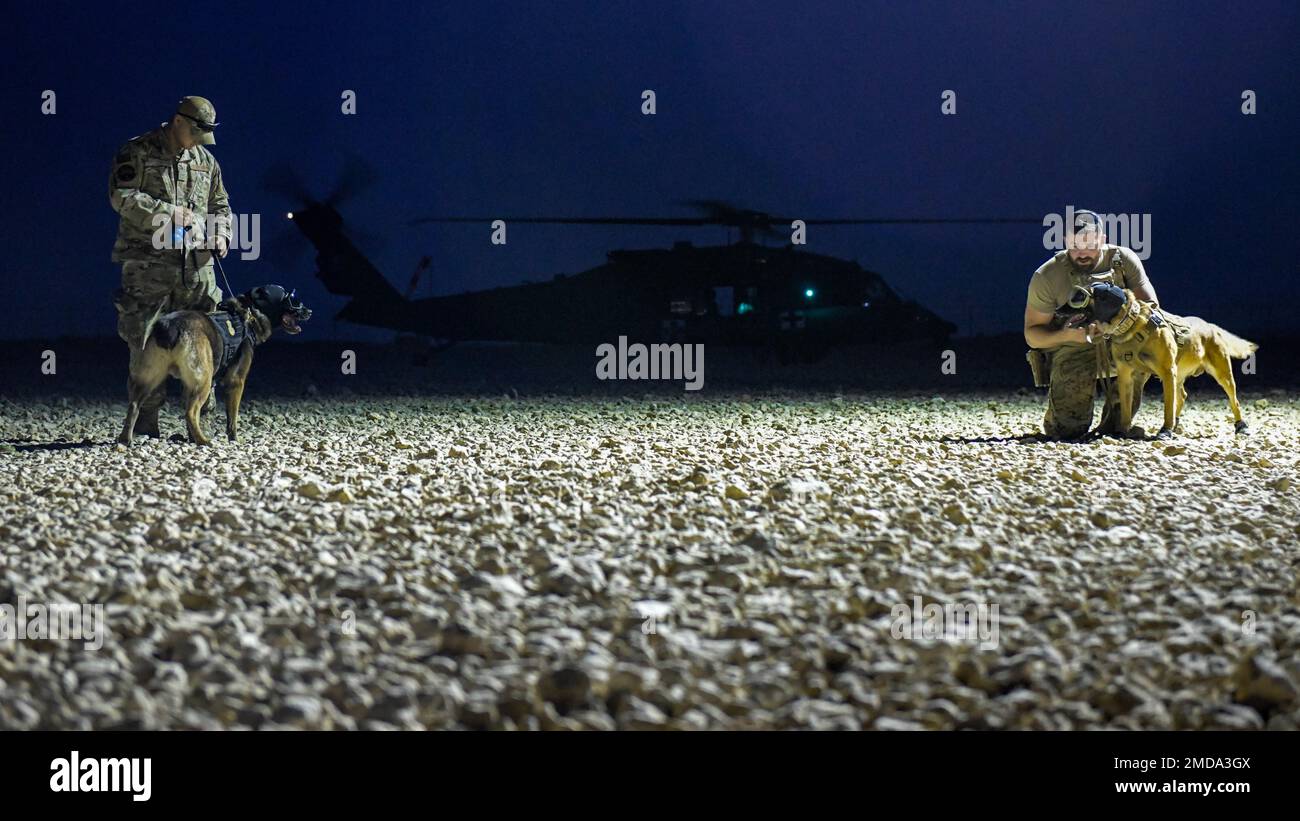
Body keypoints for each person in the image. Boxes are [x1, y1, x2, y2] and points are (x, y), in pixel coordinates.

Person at [110, 96, 232, 437]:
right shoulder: (137, 151)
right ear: (178, 122)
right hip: (150, 268)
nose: (197, 141)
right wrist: (167, 213)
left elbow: (220, 204)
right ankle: (147, 422)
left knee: (204, 343)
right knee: (146, 340)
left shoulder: (206, 161)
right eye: (195, 132)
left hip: (197, 271)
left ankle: (199, 421)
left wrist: (221, 234)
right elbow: (122, 196)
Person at [1024, 210, 1160, 439]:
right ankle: (1061, 419)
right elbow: (1032, 334)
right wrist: (1066, 336)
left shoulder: (1123, 261)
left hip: (1120, 343)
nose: (1082, 252)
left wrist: (1120, 320)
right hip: (1074, 348)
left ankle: (1118, 421)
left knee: (1145, 344)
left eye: (1089, 243)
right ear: (1066, 241)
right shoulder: (1047, 275)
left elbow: (1152, 307)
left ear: (1102, 239)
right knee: (1066, 433)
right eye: (1075, 245)